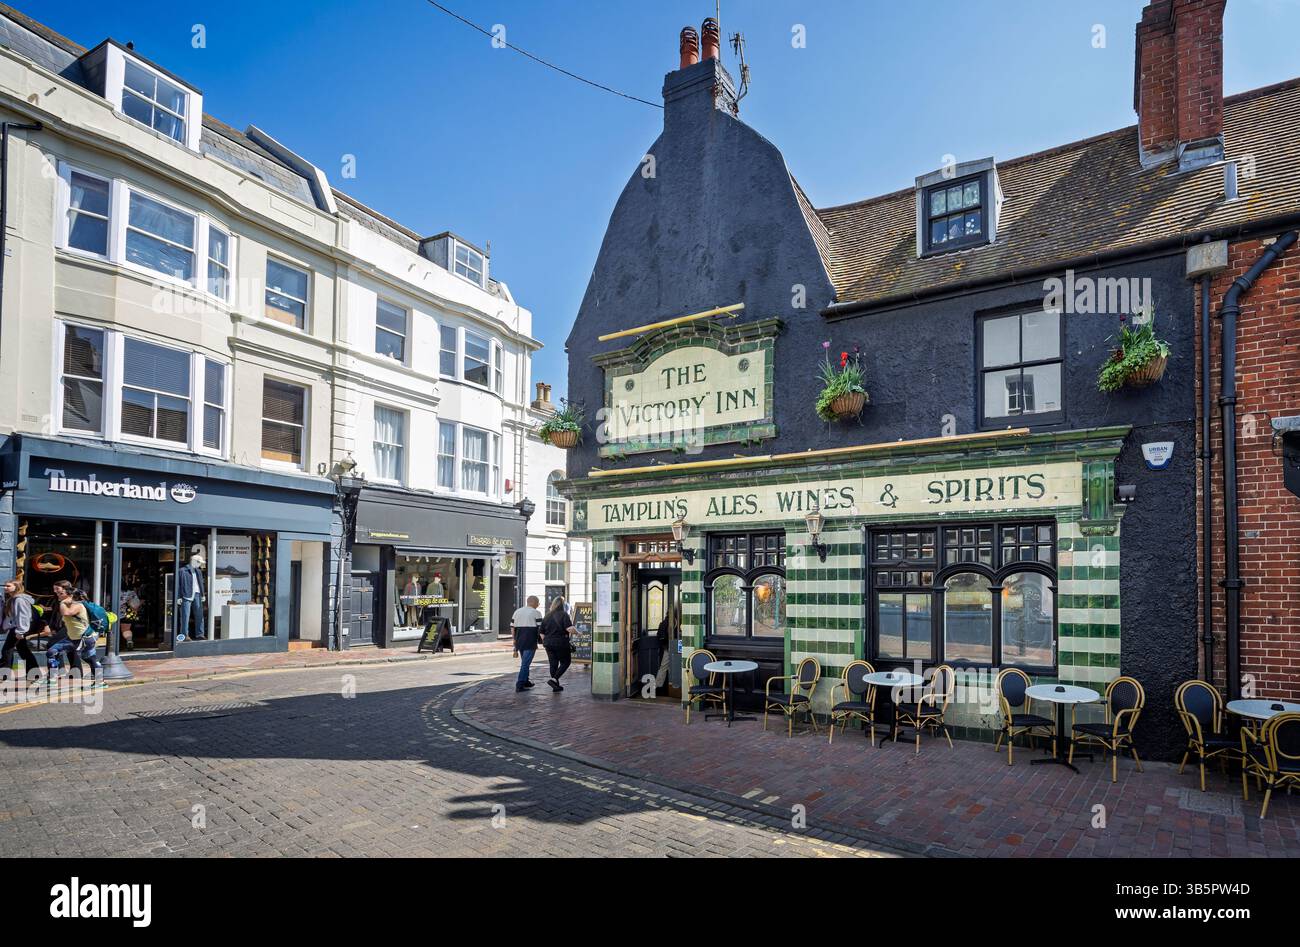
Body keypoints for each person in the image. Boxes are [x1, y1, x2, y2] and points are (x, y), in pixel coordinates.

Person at [45, 580, 86, 686]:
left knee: (52, 646)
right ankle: (75, 672)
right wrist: (52, 626)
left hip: (70, 628)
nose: (55, 592)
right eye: (54, 589)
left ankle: (57, 671)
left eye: (58, 589)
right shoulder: (58, 599)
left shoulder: (70, 601)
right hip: (63, 628)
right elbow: (55, 615)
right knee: (71, 649)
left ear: (66, 589)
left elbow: (67, 614)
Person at [1, 578, 41, 682]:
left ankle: (3, 675)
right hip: (17, 628)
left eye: (8, 586)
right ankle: (34, 673)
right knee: (23, 651)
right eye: (5, 586)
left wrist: (20, 631)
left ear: (16, 587)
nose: (5, 587)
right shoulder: (13, 599)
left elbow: (23, 616)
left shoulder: (19, 600)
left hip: (18, 629)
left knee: (6, 650)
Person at [540, 595, 574, 692]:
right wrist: (578, 632)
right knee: (566, 662)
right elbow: (569, 628)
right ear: (562, 604)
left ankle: (555, 685)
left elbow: (541, 633)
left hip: (548, 643)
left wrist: (545, 642)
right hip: (561, 642)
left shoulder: (547, 615)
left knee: (553, 663)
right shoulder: (564, 615)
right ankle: (554, 680)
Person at [510, 595, 543, 693]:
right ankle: (520, 684)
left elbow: (512, 627)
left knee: (525, 662)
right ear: (533, 602)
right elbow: (540, 628)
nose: (538, 604)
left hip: (519, 641)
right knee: (525, 663)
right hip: (530, 641)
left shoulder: (517, 611)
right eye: (538, 602)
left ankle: (526, 681)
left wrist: (514, 640)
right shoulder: (536, 613)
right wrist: (543, 641)